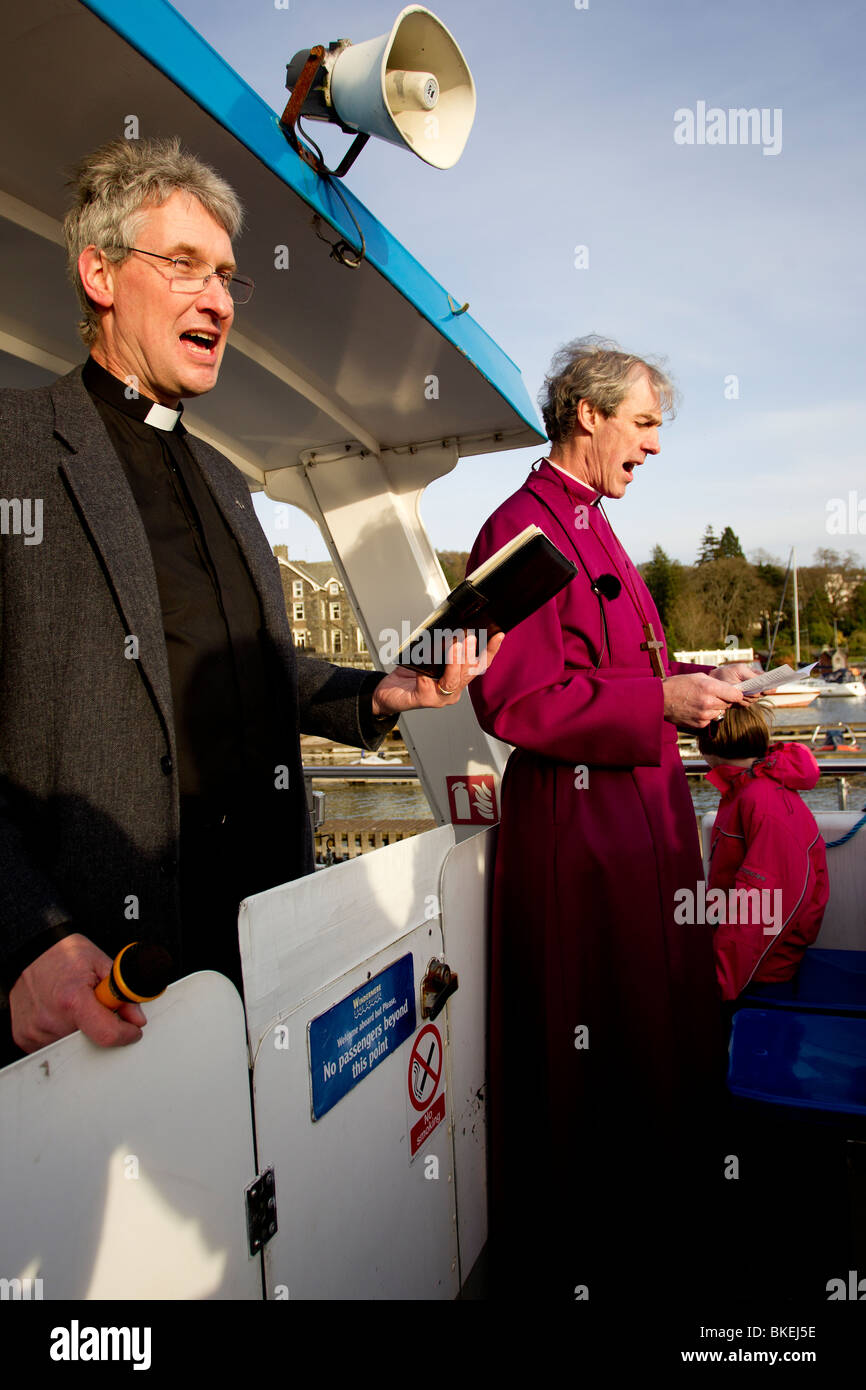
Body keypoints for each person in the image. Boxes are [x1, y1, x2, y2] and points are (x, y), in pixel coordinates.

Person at [0, 137, 497, 1063]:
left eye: (227, 276)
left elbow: (254, 663)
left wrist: (378, 694)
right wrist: (25, 939)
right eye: (183, 265)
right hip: (93, 974)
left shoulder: (230, 483)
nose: (219, 300)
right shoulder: (12, 449)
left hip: (260, 952)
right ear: (100, 274)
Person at [467, 336, 755, 1300]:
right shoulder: (523, 531)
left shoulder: (593, 523)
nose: (655, 447)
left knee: (654, 1022)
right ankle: (592, 1248)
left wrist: (691, 683)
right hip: (581, 835)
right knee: (600, 1027)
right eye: (643, 425)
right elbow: (513, 699)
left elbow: (610, 668)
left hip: (642, 821)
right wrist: (657, 705)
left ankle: (656, 1217)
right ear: (585, 415)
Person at [698, 703, 829, 1001]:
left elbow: (763, 899)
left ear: (707, 745)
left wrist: (719, 981)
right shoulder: (746, 790)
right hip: (750, 961)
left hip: (760, 971)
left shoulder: (758, 800)